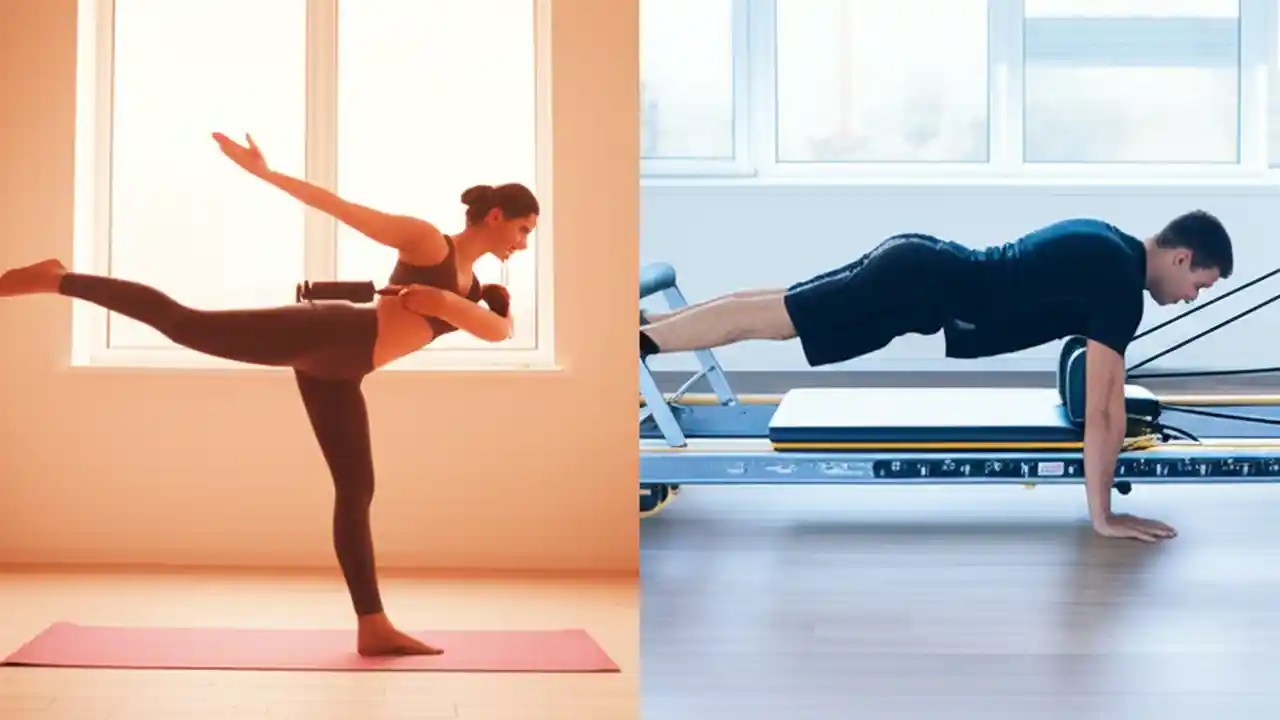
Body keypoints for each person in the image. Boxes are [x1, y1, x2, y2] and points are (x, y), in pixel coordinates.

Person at [0, 132, 539, 656]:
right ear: (494, 217)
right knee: (186, 323)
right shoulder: (428, 243)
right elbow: (345, 209)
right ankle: (58, 278)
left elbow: (498, 332)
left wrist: (461, 306)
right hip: (330, 333)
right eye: (522, 228)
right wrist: (264, 173)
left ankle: (372, 626)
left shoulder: (470, 285)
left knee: (356, 489)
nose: (523, 242)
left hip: (341, 370)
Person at [639, 213, 1234, 544]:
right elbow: (1104, 411)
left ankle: (648, 324)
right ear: (1182, 257)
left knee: (776, 305)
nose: (1188, 299)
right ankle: (640, 341)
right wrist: (1102, 515)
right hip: (918, 287)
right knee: (772, 321)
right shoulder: (1118, 287)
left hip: (919, 260)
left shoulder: (1108, 241)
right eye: (1198, 286)